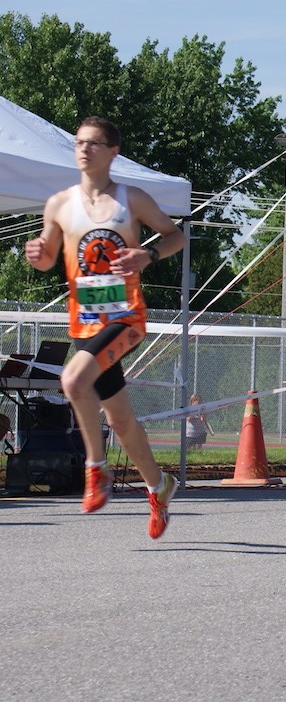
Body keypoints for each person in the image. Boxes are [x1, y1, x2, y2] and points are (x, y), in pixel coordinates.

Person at [24, 116, 185, 539]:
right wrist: (37, 254)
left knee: (73, 380)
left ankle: (96, 468)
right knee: (121, 419)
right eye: (79, 142)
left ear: (113, 152)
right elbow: (47, 258)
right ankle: (159, 487)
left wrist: (148, 255)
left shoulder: (131, 199)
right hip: (85, 323)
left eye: (93, 143)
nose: (84, 149)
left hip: (125, 318)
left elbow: (175, 236)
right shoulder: (59, 204)